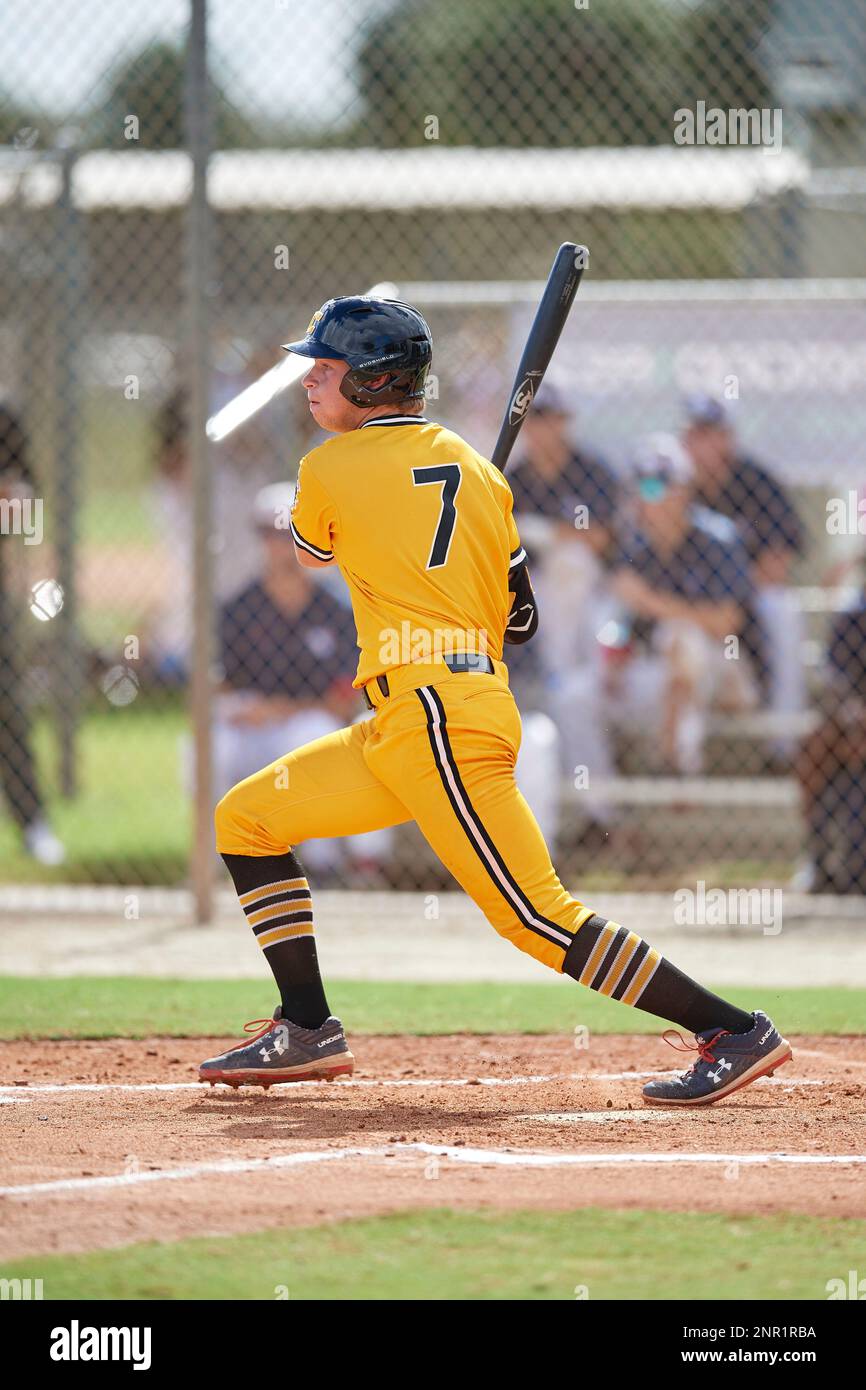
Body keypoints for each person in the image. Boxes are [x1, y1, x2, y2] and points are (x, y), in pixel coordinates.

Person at [199, 296, 791, 1107]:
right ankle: (306, 1027)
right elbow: (521, 618)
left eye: (327, 368)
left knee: (535, 919)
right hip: (411, 716)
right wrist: (475, 519)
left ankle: (732, 1031)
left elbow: (311, 551)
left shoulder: (327, 466)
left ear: (374, 383)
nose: (311, 380)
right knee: (246, 820)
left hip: (438, 713)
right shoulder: (482, 475)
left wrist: (425, 528)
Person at [559, 435, 756, 817]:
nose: (650, 498)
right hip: (663, 677)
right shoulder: (635, 549)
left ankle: (680, 765)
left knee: (681, 639)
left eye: (660, 485)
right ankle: (604, 818)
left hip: (724, 672)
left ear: (684, 491)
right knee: (574, 697)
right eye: (643, 487)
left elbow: (727, 623)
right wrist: (614, 657)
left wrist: (650, 601)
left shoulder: (717, 537)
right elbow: (622, 627)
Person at [214, 482, 390, 876]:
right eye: (273, 535)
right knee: (207, 750)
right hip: (251, 726)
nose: (283, 547)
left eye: (291, 535)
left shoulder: (337, 610)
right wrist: (239, 707)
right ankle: (217, 864)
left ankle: (321, 865)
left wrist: (280, 709)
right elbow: (219, 685)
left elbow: (344, 700)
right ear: (260, 540)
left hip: (308, 722)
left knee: (311, 738)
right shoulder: (238, 609)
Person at [682, 394, 806, 761]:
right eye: (697, 433)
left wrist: (728, 587)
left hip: (748, 600)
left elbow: (777, 564)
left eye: (713, 433)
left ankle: (784, 744)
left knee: (784, 610)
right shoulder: (675, 486)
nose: (705, 443)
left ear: (729, 438)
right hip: (694, 606)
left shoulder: (756, 482)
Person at [0, 405, 65, 865]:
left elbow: (25, 513)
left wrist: (13, 500)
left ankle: (32, 823)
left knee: (7, 708)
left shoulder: (5, 414)